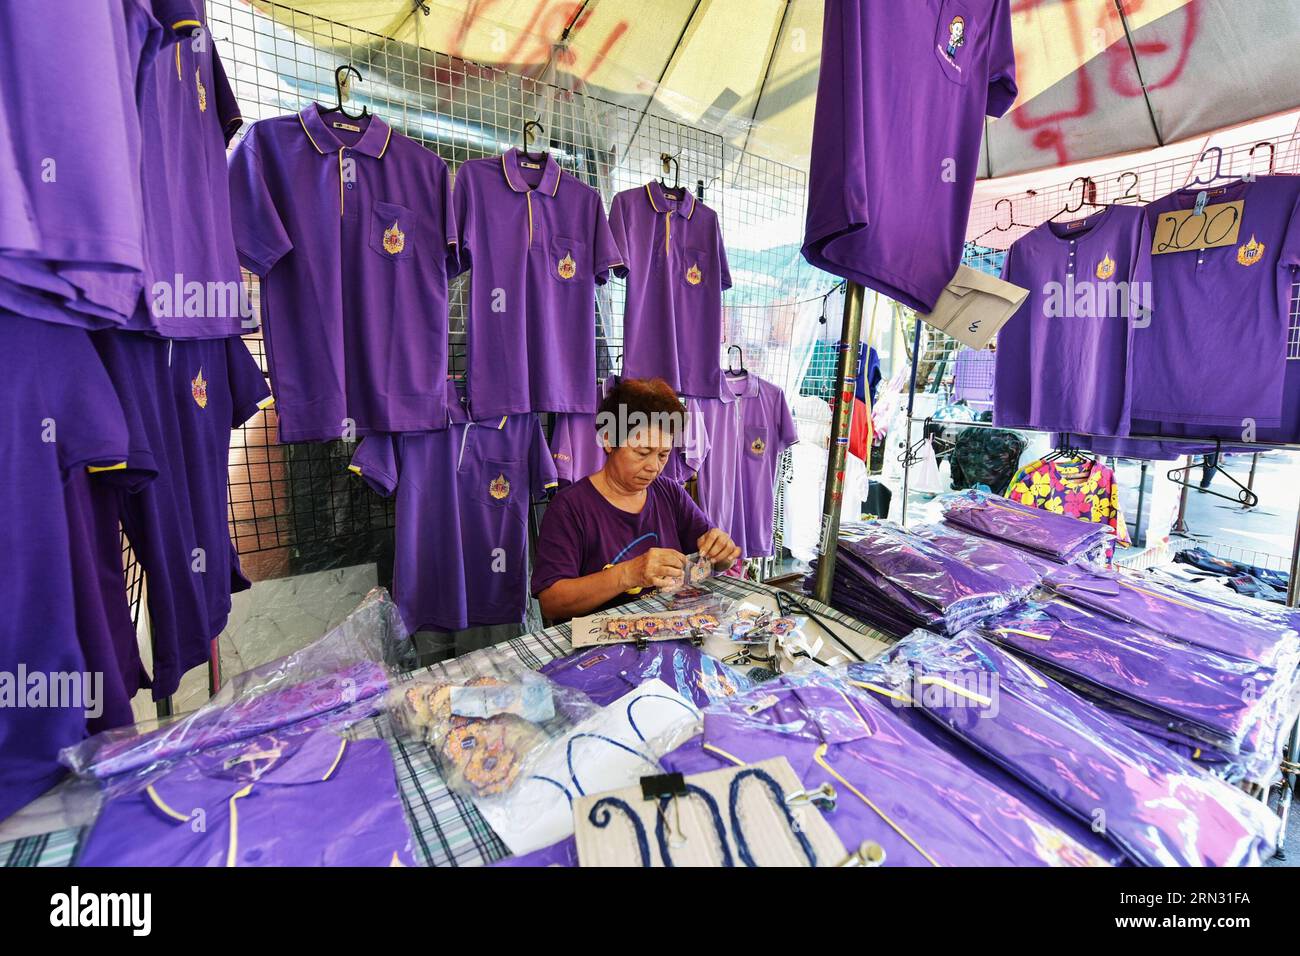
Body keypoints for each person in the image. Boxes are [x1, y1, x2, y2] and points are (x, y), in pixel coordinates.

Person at [532, 377, 741, 621]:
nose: (654, 467)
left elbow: (711, 562)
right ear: (609, 440)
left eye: (663, 454)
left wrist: (722, 555)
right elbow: (552, 603)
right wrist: (629, 574)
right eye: (642, 452)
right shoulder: (569, 508)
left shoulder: (670, 493)